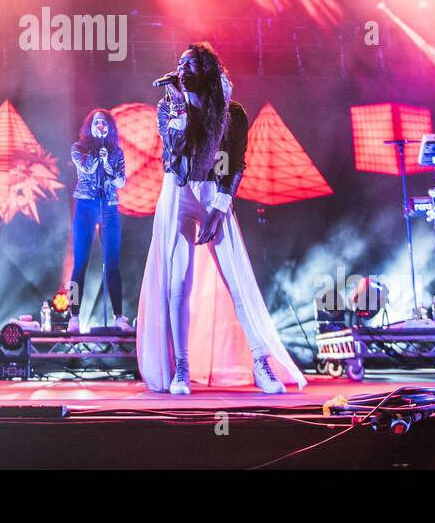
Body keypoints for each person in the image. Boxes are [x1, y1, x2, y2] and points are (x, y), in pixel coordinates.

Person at [136, 43, 307, 395]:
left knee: (236, 280)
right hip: (179, 191)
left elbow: (236, 163)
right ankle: (181, 366)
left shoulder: (233, 113)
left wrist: (219, 208)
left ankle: (261, 362)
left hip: (214, 193)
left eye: (191, 64)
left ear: (208, 70)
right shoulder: (168, 107)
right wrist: (180, 107)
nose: (182, 70)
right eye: (179, 64)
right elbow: (174, 153)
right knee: (177, 281)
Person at [67, 108, 129, 333]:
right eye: (96, 122)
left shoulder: (116, 151)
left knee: (112, 264)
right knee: (80, 263)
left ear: (110, 127)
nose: (100, 125)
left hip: (109, 206)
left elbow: (121, 181)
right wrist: (97, 151)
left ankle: (119, 316)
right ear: (90, 126)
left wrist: (109, 162)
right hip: (86, 206)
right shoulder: (79, 148)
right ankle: (73, 317)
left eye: (104, 122)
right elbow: (87, 168)